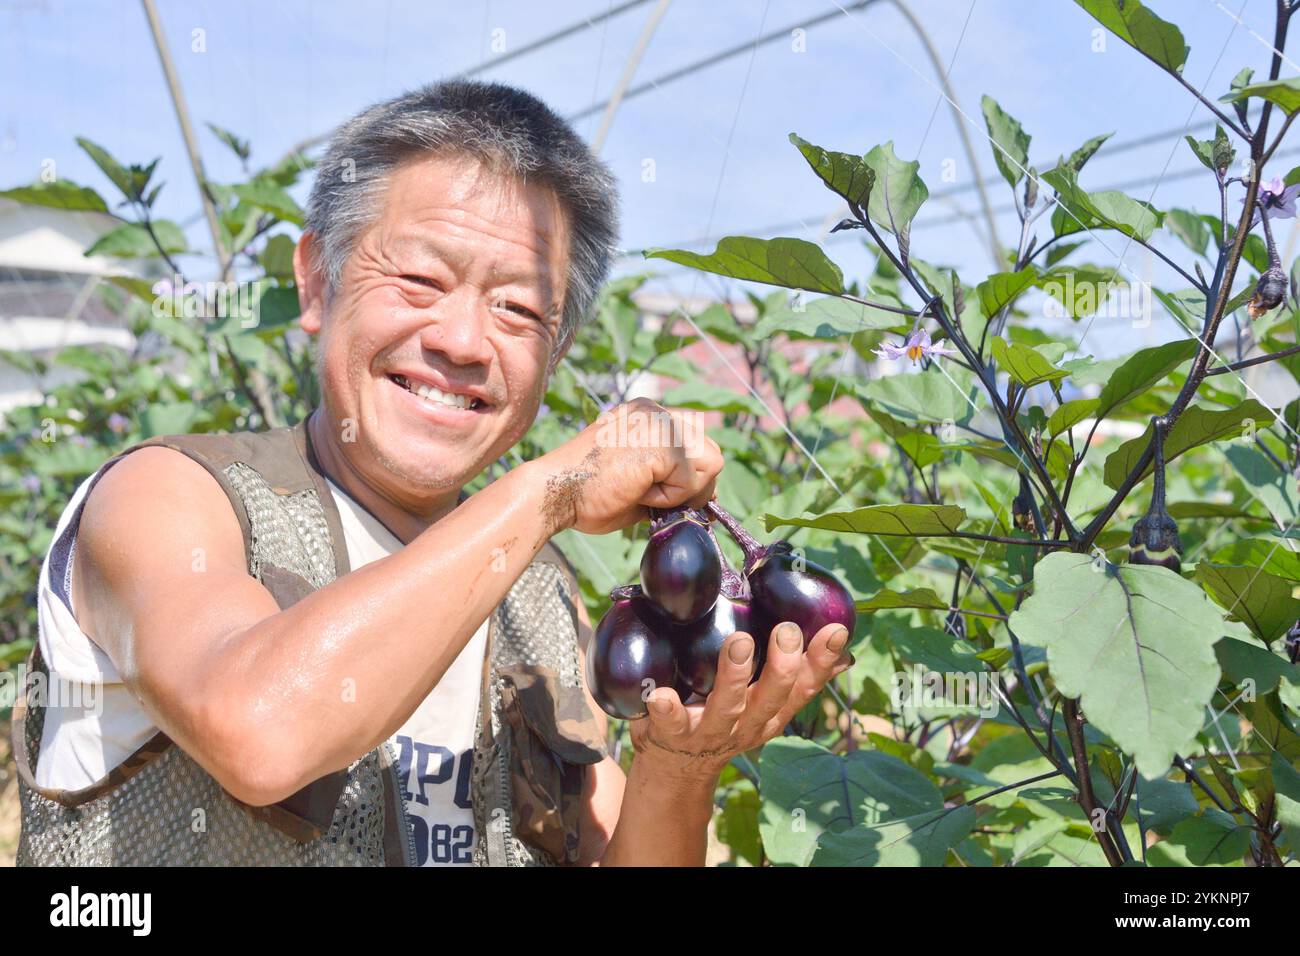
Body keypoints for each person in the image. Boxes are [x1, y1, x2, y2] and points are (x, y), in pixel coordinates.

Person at [12, 79, 853, 867]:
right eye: (419, 278)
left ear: (556, 351)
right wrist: (551, 488)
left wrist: (680, 760)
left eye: (519, 309)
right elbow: (258, 733)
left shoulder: (541, 599)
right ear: (316, 281)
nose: (461, 340)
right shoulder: (173, 498)